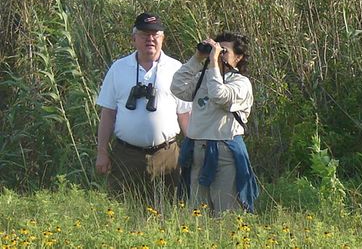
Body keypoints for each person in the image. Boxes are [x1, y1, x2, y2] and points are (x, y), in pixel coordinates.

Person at [94, 12, 192, 209]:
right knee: (121, 210)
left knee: (169, 209)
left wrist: (194, 150)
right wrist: (102, 152)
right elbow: (108, 113)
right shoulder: (118, 68)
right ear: (134, 38)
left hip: (167, 155)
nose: (150, 39)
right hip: (126, 154)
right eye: (144, 34)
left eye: (155, 34)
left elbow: (185, 114)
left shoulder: (176, 68)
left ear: (163, 38)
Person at [171, 32, 259, 215]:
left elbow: (220, 96)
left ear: (239, 57)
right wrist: (197, 58)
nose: (218, 55)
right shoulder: (204, 78)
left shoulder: (241, 83)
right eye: (217, 50)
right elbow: (177, 87)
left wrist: (212, 65)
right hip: (198, 150)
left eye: (224, 52)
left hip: (225, 151)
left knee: (227, 212)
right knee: (198, 212)